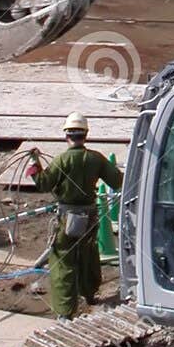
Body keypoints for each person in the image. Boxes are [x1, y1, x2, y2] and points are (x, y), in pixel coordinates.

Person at [27, 112, 123, 318]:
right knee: (88, 255)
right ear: (85, 134)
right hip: (89, 217)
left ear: (66, 135)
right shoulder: (95, 158)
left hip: (66, 218)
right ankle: (90, 294)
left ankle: (64, 312)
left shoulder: (62, 160)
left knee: (63, 261)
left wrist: (35, 164)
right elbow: (116, 181)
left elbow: (44, 184)